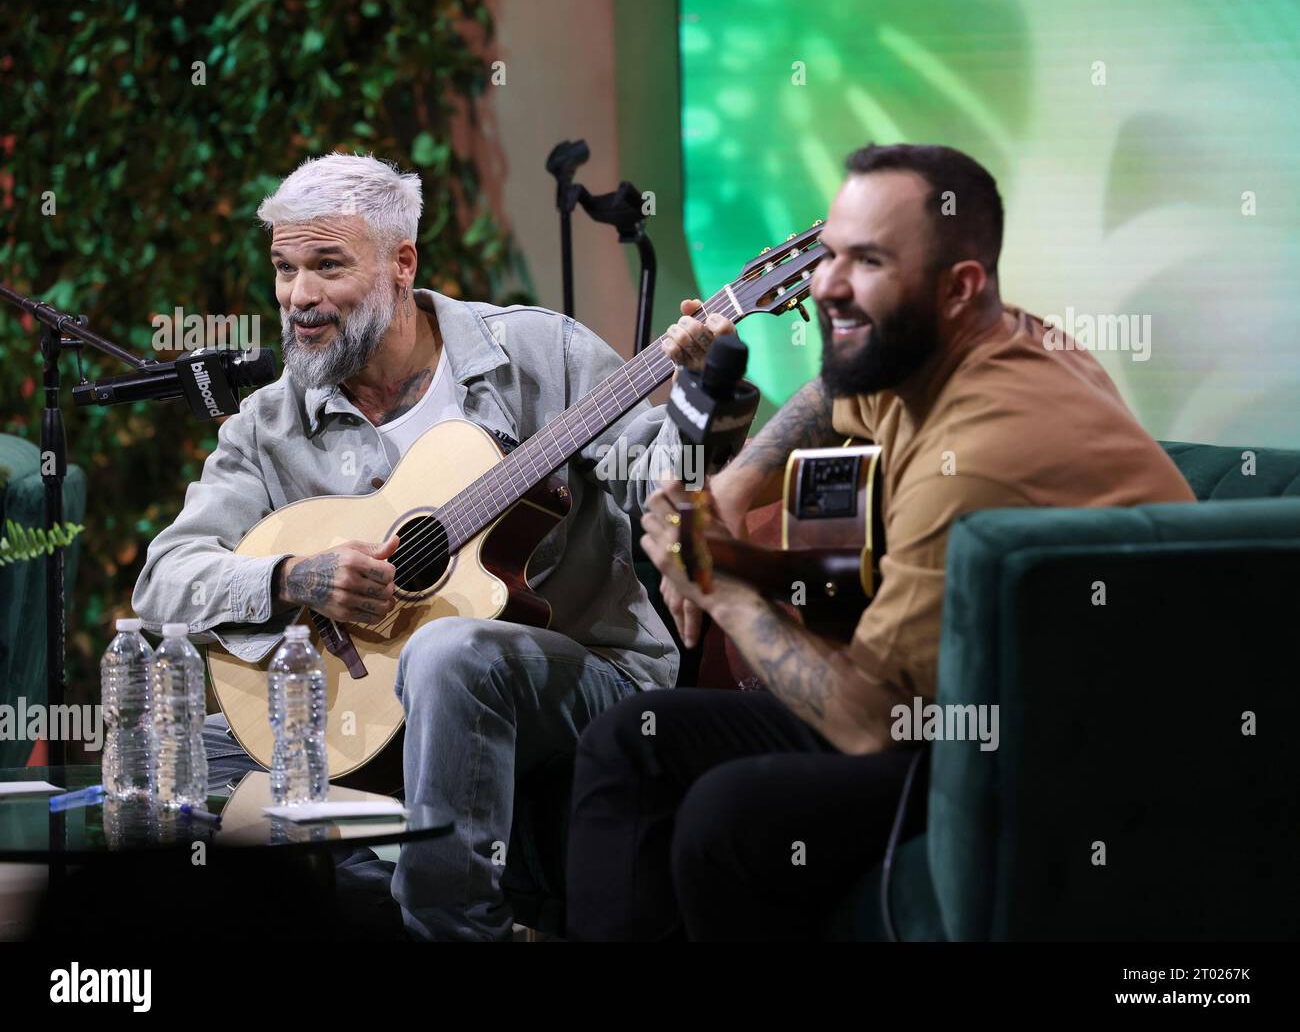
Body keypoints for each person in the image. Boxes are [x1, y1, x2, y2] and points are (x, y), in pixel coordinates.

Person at [565, 142, 1197, 941]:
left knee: (732, 818)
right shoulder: (946, 345)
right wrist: (731, 489)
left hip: (1059, 752)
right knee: (632, 739)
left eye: (867, 262)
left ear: (959, 287)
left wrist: (715, 580)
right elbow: (833, 387)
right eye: (828, 254)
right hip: (960, 702)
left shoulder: (979, 450)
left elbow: (871, 723)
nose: (826, 284)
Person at [132, 152, 723, 940]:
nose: (298, 296)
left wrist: (710, 401)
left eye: (326, 266)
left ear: (401, 263)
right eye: (283, 269)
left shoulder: (536, 355)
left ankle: (456, 929)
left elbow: (661, 479)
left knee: (446, 652)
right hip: (370, 701)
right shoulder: (269, 424)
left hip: (582, 667)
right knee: (156, 760)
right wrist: (294, 578)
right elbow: (165, 578)